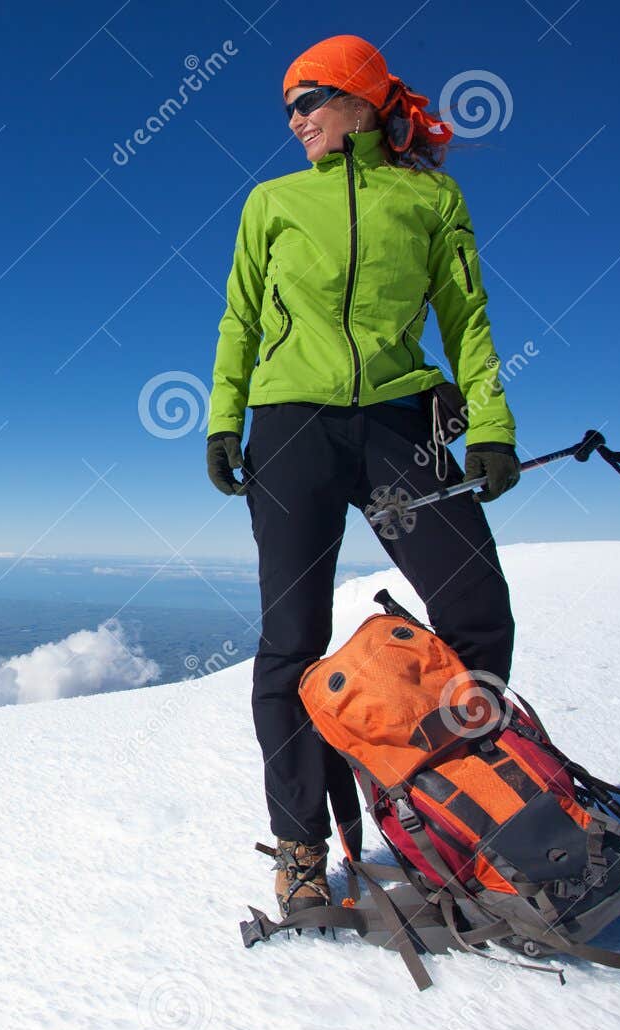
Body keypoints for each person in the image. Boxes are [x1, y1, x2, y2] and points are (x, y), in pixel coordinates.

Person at [204, 34, 520, 921]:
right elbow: (238, 318)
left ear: (360, 98)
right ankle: (302, 850)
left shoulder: (430, 197)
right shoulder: (272, 202)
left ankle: (454, 805)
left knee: (476, 607)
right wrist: (225, 417)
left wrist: (492, 425)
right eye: (287, 109)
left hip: (397, 423)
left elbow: (467, 315)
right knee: (292, 641)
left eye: (308, 101)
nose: (294, 121)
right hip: (292, 428)